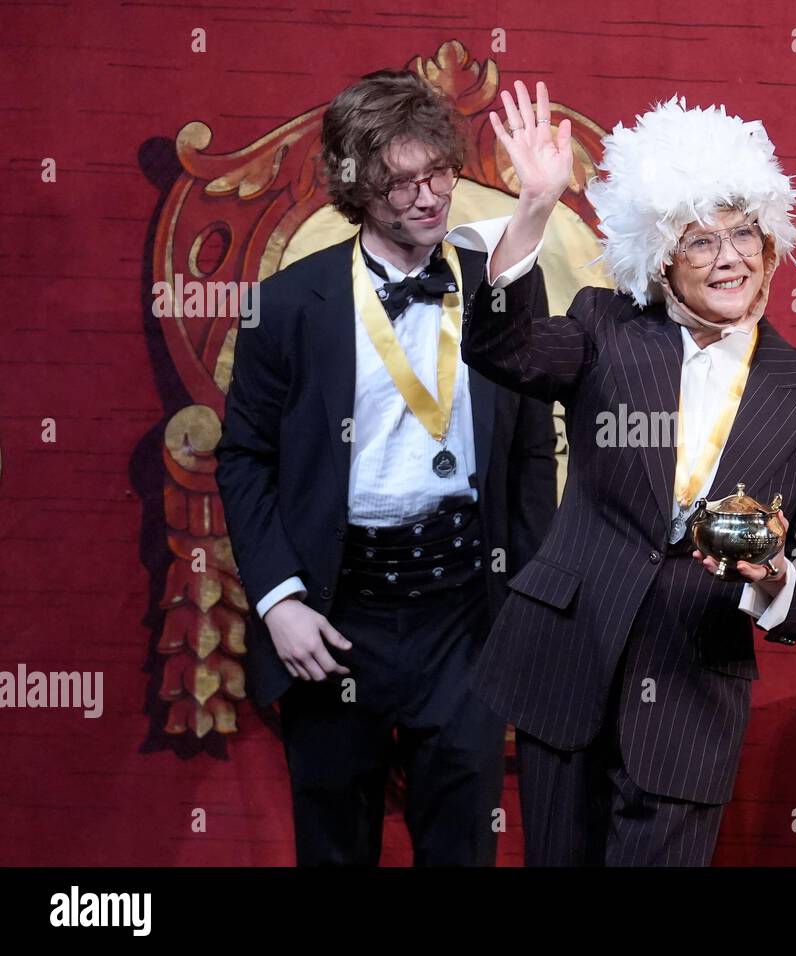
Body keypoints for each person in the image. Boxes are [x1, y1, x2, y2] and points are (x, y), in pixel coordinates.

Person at [461, 82, 796, 866]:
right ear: (660, 257)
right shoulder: (606, 326)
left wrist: (773, 575)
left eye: (744, 233)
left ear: (771, 243)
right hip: (565, 664)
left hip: (689, 697)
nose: (729, 257)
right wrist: (535, 207)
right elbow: (500, 349)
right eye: (700, 240)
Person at [214, 70, 558, 866]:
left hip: (463, 616)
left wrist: (526, 600)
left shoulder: (494, 284)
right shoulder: (289, 305)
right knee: (335, 850)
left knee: (462, 846)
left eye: (438, 170)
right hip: (336, 615)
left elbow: (532, 447)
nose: (430, 196)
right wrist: (278, 602)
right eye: (402, 182)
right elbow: (243, 459)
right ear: (355, 187)